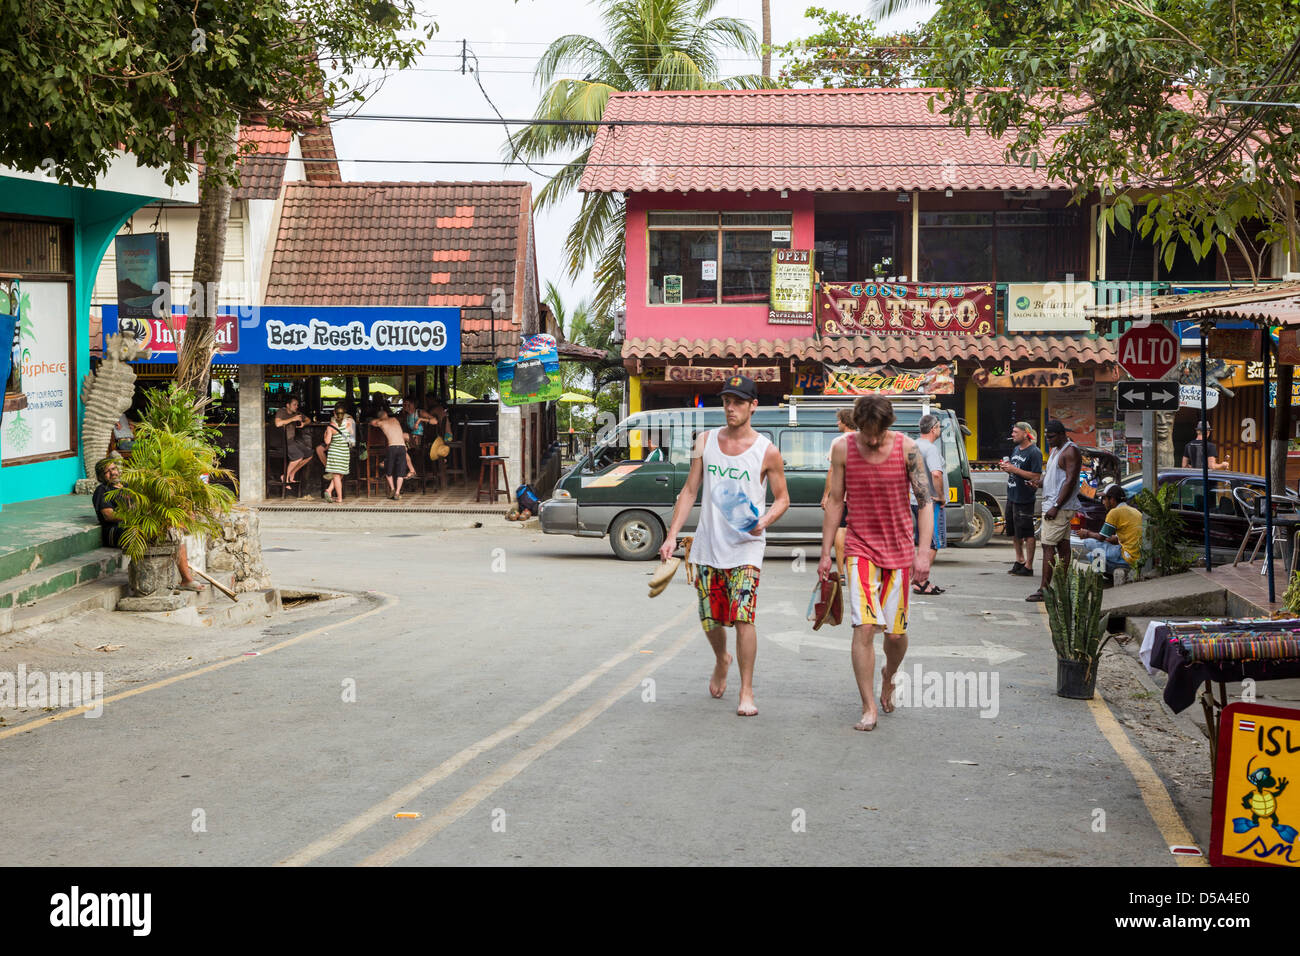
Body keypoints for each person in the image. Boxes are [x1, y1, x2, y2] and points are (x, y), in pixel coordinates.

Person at [658, 375, 789, 718]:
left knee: (744, 616)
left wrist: (765, 520)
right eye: (726, 401)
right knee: (711, 619)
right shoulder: (705, 441)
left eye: (738, 402)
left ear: (753, 406)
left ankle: (746, 690)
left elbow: (782, 499)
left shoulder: (767, 451)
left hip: (747, 547)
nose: (730, 408)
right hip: (708, 545)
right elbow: (689, 491)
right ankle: (721, 658)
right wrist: (672, 535)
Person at [818, 395, 934, 732]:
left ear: (888, 425)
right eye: (865, 431)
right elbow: (836, 501)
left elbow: (925, 502)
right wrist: (826, 552)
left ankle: (889, 675)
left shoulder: (907, 449)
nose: (871, 439)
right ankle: (868, 706)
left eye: (877, 432)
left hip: (898, 552)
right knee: (864, 627)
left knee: (895, 635)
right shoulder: (842, 449)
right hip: (860, 549)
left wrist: (923, 551)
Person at [92, 457, 205, 591]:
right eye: (107, 471)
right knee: (167, 532)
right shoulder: (102, 490)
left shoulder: (128, 486)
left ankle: (186, 579)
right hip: (117, 530)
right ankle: (185, 579)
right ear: (100, 476)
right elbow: (108, 514)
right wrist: (135, 518)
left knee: (172, 532)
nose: (113, 473)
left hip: (135, 526)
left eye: (114, 468)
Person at [1026, 420, 1082, 602]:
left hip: (1059, 507)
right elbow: (1052, 477)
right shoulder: (1056, 451)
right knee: (1063, 547)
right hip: (1053, 504)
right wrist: (1037, 483)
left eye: (1051, 437)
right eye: (1046, 437)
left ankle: (1044, 589)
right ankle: (1063, 586)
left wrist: (1056, 506)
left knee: (1048, 546)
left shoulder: (1070, 450)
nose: (1048, 440)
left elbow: (1070, 480)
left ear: (1061, 434)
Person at [998, 421, 1043, 578]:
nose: (1012, 434)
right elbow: (1014, 472)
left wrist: (1013, 469)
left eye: (1016, 432)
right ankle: (1020, 560)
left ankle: (1029, 566)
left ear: (1025, 433)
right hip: (1012, 495)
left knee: (1027, 533)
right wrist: (1007, 468)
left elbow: (1036, 476)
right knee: (1014, 532)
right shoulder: (1016, 449)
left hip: (1025, 498)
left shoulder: (1034, 452)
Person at [911, 413, 948, 595]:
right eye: (939, 427)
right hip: (929, 502)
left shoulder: (913, 445)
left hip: (913, 500)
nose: (940, 430)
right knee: (933, 543)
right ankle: (921, 581)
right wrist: (940, 496)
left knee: (919, 541)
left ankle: (919, 578)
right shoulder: (931, 449)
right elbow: (936, 474)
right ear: (934, 429)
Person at [819, 408, 855, 581]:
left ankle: (841, 573)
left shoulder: (838, 441)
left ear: (845, 421)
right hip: (860, 495)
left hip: (843, 495)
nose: (837, 423)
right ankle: (857, 571)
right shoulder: (863, 439)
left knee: (840, 529)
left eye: (839, 420)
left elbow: (832, 471)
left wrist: (827, 495)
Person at [1078, 484, 1143, 573]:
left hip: (1128, 557)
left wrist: (1087, 533)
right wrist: (1112, 539)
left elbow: (1101, 537)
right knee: (1094, 554)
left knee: (1089, 544)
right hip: (1138, 555)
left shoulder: (1114, 512)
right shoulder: (1134, 510)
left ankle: (1097, 579)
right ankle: (1099, 577)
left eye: (1104, 499)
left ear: (1112, 499)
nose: (1103, 502)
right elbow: (1126, 537)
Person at [274, 397, 316, 487]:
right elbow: (278, 424)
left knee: (309, 455)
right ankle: (285, 477)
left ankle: (292, 473)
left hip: (292, 441)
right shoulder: (281, 411)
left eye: (297, 404)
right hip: (282, 442)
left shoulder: (297, 413)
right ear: (288, 405)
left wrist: (303, 424)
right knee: (298, 457)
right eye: (294, 404)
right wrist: (293, 419)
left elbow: (309, 420)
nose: (296, 406)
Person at [372, 405, 408, 500]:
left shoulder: (381, 422)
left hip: (392, 447)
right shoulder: (395, 420)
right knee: (401, 472)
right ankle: (397, 492)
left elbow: (372, 423)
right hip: (402, 447)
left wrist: (377, 420)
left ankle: (392, 488)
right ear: (387, 414)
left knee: (388, 470)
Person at [322, 403, 355, 504]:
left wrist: (325, 435)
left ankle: (339, 498)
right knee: (340, 474)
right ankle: (329, 490)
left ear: (334, 413)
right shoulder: (349, 423)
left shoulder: (331, 426)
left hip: (335, 453)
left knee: (336, 475)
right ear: (344, 414)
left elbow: (327, 442)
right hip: (345, 452)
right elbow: (352, 438)